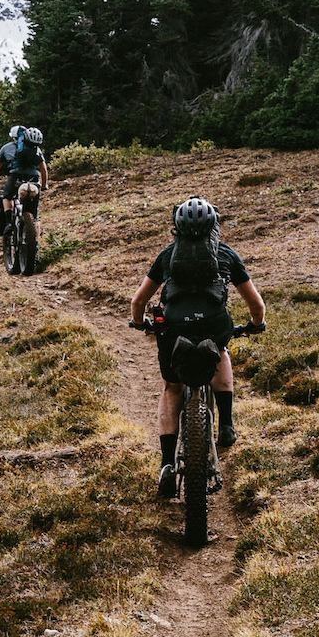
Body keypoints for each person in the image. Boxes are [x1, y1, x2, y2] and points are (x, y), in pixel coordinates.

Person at [130, 196, 265, 498]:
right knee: (221, 351)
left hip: (174, 328)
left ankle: (166, 463)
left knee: (172, 388)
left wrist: (140, 323)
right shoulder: (226, 254)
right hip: (213, 324)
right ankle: (227, 423)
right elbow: (256, 304)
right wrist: (256, 324)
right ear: (214, 225)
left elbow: (138, 301)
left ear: (176, 226)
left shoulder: (167, 255)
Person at [0, 126, 47, 236]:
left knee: (7, 197)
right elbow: (43, 170)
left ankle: (8, 223)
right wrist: (44, 185)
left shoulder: (6, 148)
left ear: (13, 137)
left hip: (15, 177)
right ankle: (35, 247)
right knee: (35, 217)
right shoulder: (36, 150)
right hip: (34, 179)